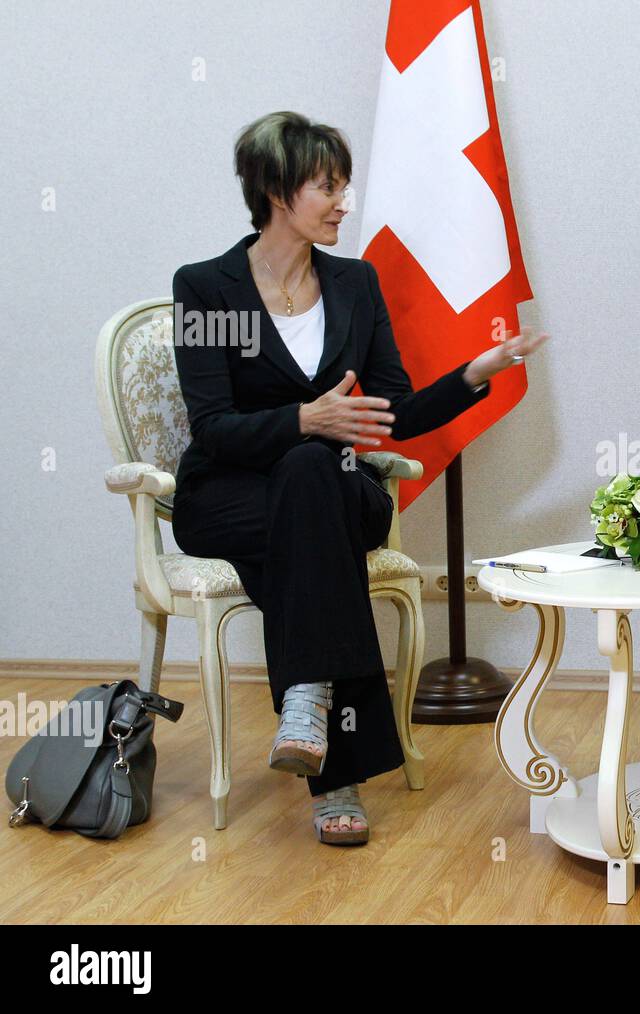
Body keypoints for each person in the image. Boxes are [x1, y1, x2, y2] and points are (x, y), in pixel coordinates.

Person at [170, 111, 548, 845]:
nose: (345, 202)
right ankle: (334, 772)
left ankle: (310, 705)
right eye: (328, 187)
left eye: (344, 187)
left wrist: (473, 374)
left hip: (337, 491)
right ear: (279, 191)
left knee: (314, 481)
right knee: (308, 485)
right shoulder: (206, 288)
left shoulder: (354, 284)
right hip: (230, 496)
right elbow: (212, 428)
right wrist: (306, 421)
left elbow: (394, 415)